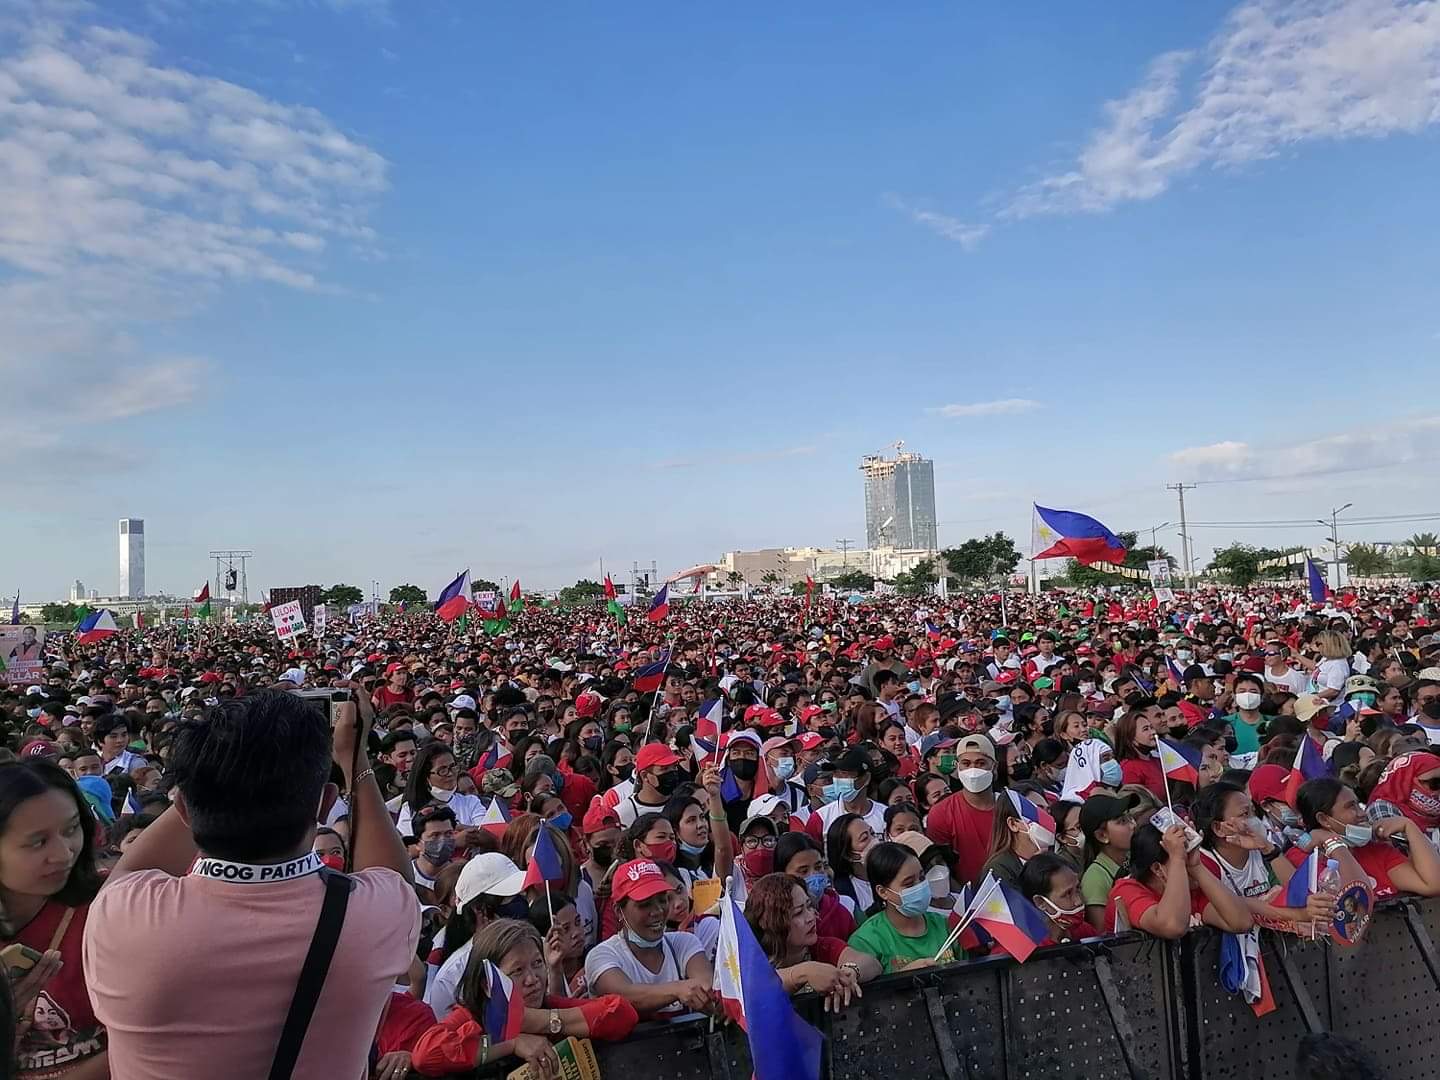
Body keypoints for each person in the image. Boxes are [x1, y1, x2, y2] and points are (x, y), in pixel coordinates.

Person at [85, 687, 420, 1080]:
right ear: (326, 803)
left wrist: (220, 766)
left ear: (182, 809)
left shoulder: (124, 915)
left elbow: (129, 871)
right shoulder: (369, 918)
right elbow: (394, 877)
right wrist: (354, 758)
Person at [411, 919, 638, 1077]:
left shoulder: (548, 1006)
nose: (533, 979)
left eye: (538, 964)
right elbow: (427, 1055)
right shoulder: (470, 1015)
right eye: (517, 971)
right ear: (488, 984)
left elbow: (622, 1013)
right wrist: (510, 1043)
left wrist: (536, 1020)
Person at [0, 761, 106, 1079]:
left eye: (71, 829)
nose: (63, 854)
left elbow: (151, 1038)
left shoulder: (113, 905)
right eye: (38, 842)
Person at [585, 859, 713, 1019]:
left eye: (662, 900)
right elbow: (624, 997)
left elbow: (706, 984)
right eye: (645, 904)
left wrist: (708, 995)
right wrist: (678, 989)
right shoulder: (602, 956)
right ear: (619, 911)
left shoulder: (684, 943)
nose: (658, 911)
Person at [744, 873, 879, 1010]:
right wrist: (804, 972)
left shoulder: (822, 947)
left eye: (809, 906)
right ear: (770, 923)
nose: (810, 917)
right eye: (798, 913)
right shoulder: (752, 959)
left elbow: (871, 963)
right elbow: (755, 988)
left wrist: (849, 973)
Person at [426, 852, 531, 1017]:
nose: (520, 904)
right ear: (480, 910)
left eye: (521, 895)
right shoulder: (451, 978)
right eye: (509, 899)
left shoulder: (536, 947)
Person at [1296, 778, 1440, 898]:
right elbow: (1357, 905)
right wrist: (1332, 843)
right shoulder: (1304, 861)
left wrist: (1409, 827)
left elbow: (1433, 885)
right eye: (1351, 807)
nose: (1362, 814)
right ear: (1324, 819)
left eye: (1359, 805)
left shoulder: (1377, 852)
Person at [1104, 823, 1253, 937]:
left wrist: (1196, 866)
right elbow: (1171, 925)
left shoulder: (1192, 888)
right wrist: (1177, 858)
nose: (1186, 862)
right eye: (1183, 858)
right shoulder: (1126, 891)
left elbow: (1242, 922)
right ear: (1157, 869)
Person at [845, 841, 961, 974]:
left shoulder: (945, 925)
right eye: (909, 883)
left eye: (922, 877)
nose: (920, 886)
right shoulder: (866, 941)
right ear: (883, 892)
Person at [923, 734, 1000, 885]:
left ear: (994, 766)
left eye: (980, 763)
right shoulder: (941, 813)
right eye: (966, 763)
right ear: (958, 767)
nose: (973, 770)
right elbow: (940, 867)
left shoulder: (1010, 806)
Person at [397, 742, 492, 843]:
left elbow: (486, 832)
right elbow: (408, 847)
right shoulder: (410, 809)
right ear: (426, 776)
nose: (450, 773)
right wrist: (454, 841)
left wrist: (457, 827)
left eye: (452, 767)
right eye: (442, 770)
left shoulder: (470, 801)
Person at [775, 831, 856, 938]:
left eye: (818, 867)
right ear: (782, 874)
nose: (815, 875)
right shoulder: (774, 919)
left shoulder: (844, 908)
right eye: (803, 871)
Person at [978, 790, 1055, 890]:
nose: (1046, 818)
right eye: (1037, 811)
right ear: (1013, 824)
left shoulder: (1053, 856)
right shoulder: (998, 870)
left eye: (1047, 811)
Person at [1079, 795, 1136, 929]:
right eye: (1122, 821)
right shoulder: (1095, 878)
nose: (1133, 825)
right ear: (1102, 835)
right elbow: (1103, 933)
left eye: (1130, 817)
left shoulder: (1131, 858)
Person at [1018, 853, 1100, 944]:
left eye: (1077, 888)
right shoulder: (1030, 950)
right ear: (1040, 902)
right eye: (1067, 894)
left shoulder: (1085, 931)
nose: (1079, 901)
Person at [1113, 700, 1166, 799]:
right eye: (1146, 729)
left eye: (1151, 727)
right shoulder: (1129, 768)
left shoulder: (1157, 759)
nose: (1153, 732)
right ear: (1131, 737)